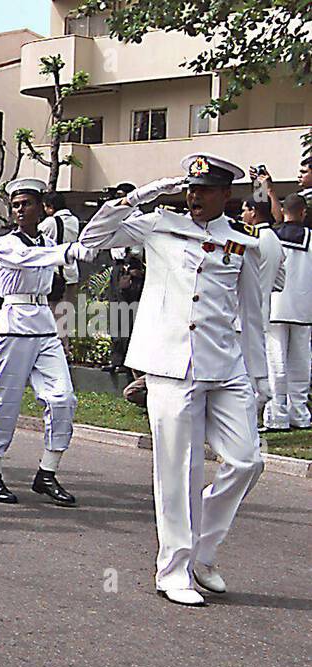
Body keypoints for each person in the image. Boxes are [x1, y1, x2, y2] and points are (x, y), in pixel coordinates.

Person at [80, 154, 264, 607]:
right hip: (169, 365)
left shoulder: (242, 243)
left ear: (226, 195)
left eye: (204, 190)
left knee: (247, 462)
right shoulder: (158, 224)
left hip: (225, 364)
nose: (194, 196)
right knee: (180, 468)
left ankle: (202, 548)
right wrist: (147, 192)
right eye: (190, 188)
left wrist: (260, 379)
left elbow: (253, 315)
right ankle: (174, 569)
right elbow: (93, 237)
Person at [0, 178, 94, 506]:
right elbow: (30, 258)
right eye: (15, 205)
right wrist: (69, 251)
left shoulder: (47, 240)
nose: (19, 210)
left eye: (26, 204)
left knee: (63, 398)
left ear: (40, 207)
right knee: (5, 401)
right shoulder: (6, 243)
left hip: (43, 322)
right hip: (15, 321)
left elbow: (49, 259)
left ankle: (47, 472)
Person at [266, 192, 311, 429]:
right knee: (301, 364)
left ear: (283, 211)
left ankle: (277, 415)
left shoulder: (270, 238)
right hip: (305, 310)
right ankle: (300, 414)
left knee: (275, 363)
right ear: (303, 213)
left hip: (274, 308)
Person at [239, 195, 285, 419]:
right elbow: (280, 282)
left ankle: (248, 416)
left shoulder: (249, 238)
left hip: (240, 314)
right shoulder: (275, 240)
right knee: (258, 365)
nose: (242, 215)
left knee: (242, 371)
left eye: (244, 210)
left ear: (254, 212)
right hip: (262, 312)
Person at [40, 191, 80, 324]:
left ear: (50, 206)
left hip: (56, 274)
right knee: (65, 318)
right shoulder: (74, 220)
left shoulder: (50, 222)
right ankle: (66, 344)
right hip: (72, 272)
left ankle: (59, 344)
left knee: (53, 316)